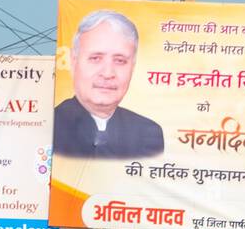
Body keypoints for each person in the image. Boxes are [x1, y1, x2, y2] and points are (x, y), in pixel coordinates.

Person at [53, 10, 164, 159]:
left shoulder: (148, 133)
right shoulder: (51, 125)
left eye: (120, 61)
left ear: (132, 67)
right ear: (74, 62)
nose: (107, 73)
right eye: (95, 58)